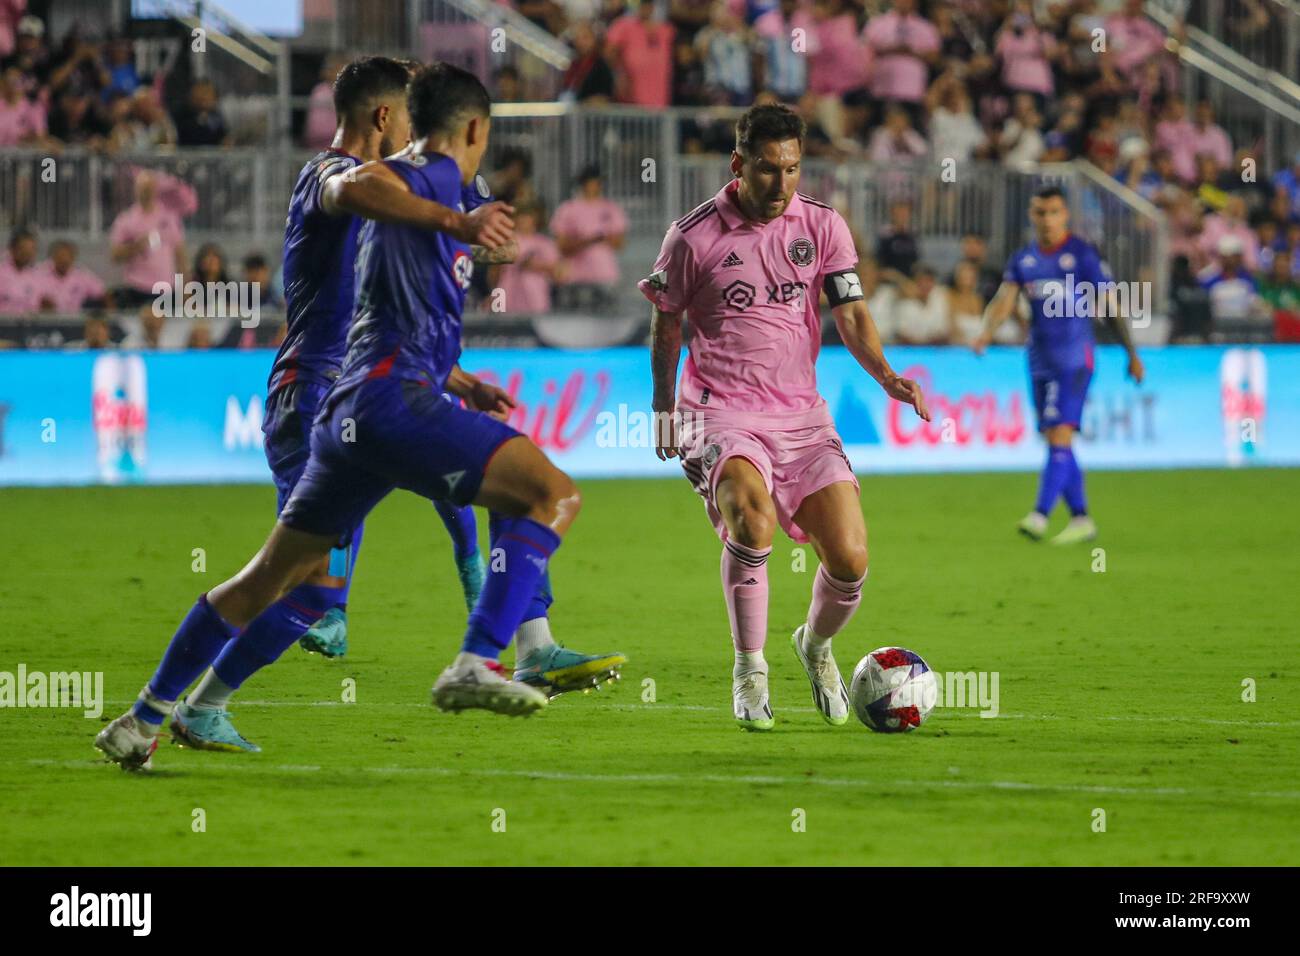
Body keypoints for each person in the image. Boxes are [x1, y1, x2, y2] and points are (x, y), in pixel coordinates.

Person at [95, 64, 626, 772]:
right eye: (404, 118)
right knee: (542, 492)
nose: (412, 134)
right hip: (326, 391)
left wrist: (456, 375)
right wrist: (456, 221)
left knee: (295, 585)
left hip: (351, 396)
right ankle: (493, 653)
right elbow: (355, 190)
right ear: (386, 119)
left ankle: (151, 717)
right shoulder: (343, 175)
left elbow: (373, 313)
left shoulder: (396, 200)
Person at [641, 103, 929, 731]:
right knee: (752, 520)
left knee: (850, 559)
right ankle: (749, 671)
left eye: (793, 169)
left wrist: (886, 375)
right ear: (738, 164)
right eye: (768, 170)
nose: (781, 184)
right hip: (720, 412)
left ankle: (815, 645)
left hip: (801, 414)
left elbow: (850, 312)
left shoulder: (822, 226)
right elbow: (666, 320)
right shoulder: (692, 236)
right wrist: (663, 409)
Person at [973, 185, 1145, 545]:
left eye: (1053, 212)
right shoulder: (1024, 259)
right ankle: (1081, 518)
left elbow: (1109, 304)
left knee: (1060, 434)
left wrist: (1131, 353)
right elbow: (1005, 300)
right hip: (1038, 359)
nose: (1047, 220)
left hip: (1074, 357)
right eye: (1040, 213)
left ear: (1065, 215)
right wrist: (986, 333)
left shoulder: (1081, 254)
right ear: (1032, 216)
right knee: (1055, 438)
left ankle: (1040, 514)